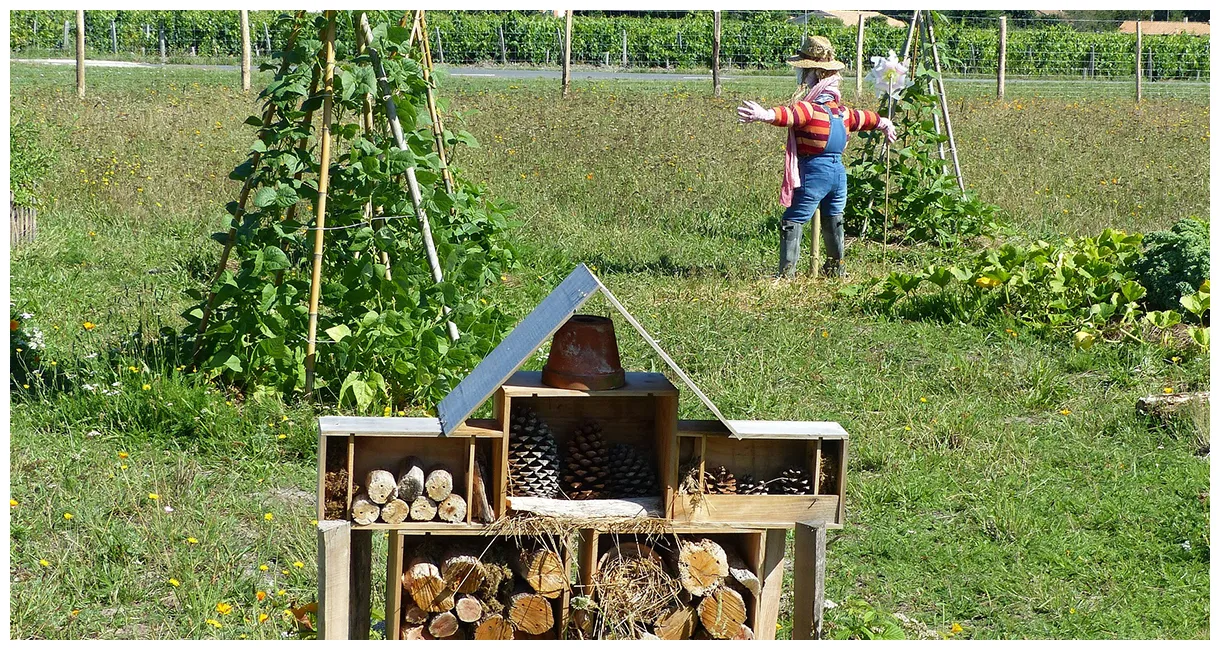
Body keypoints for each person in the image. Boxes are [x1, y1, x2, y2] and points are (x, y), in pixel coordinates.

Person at [737, 35, 897, 278]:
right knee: (834, 217)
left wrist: (765, 114)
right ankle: (836, 271)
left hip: (814, 173)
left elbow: (788, 115)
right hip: (838, 174)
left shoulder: (808, 108)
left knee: (794, 218)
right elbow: (864, 118)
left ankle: (787, 274)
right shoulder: (841, 112)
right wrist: (884, 123)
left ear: (811, 74)